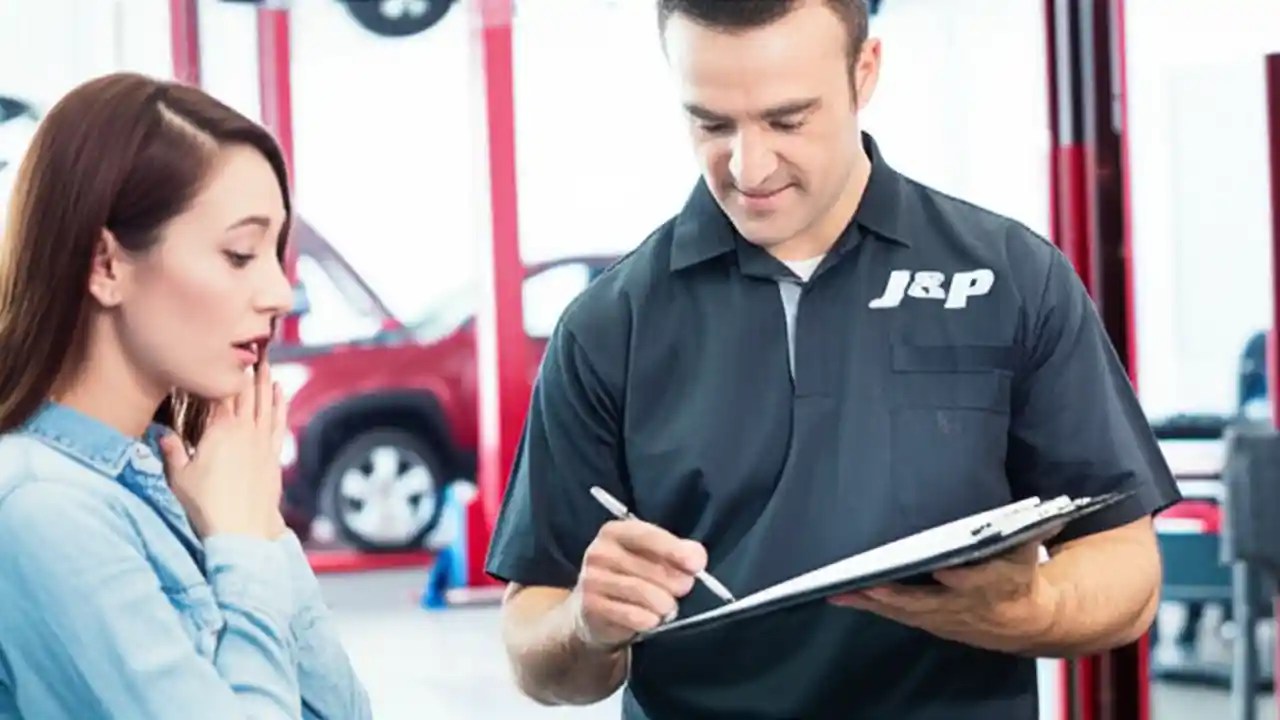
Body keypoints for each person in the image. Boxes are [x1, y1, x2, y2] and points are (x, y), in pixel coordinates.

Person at [484, 1, 1182, 718]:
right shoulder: (610, 324)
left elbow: (1127, 571)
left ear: (865, 71)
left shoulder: (1009, 277)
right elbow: (536, 649)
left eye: (788, 120)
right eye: (711, 124)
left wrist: (1026, 608)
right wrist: (585, 626)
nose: (749, 168)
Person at [0, 72, 371, 720]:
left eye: (274, 252)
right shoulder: (42, 506)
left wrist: (262, 526)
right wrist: (242, 546)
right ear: (106, 264)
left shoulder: (173, 481)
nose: (279, 294)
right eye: (239, 253)